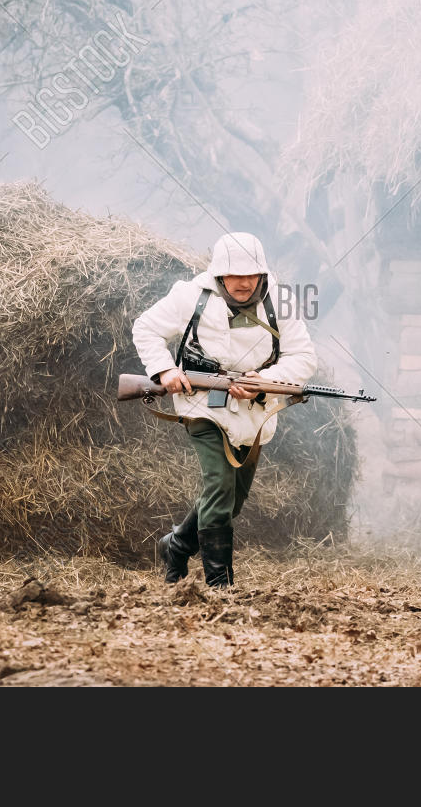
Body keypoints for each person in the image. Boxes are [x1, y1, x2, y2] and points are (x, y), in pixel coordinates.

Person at [131, 233, 317, 586]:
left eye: (252, 274)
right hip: (202, 404)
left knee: (234, 498)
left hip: (254, 411)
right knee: (219, 485)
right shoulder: (191, 295)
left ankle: (178, 544)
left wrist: (263, 379)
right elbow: (147, 328)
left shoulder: (281, 301)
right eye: (235, 274)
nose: (244, 282)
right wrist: (166, 370)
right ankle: (220, 585)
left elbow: (304, 357)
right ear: (219, 275)